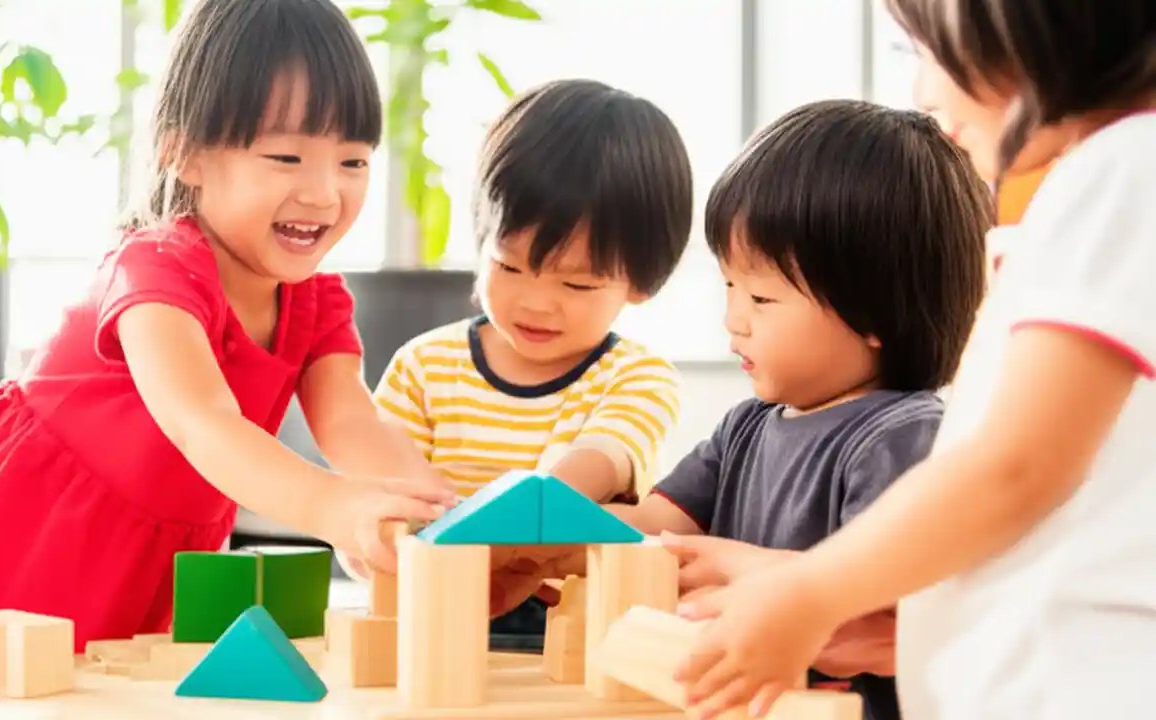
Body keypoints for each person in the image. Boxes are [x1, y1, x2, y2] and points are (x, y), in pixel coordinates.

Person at [0, 0, 456, 655]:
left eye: (353, 162)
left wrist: (437, 513)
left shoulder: (315, 299)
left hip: (157, 558)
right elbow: (200, 420)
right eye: (286, 158)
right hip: (39, 540)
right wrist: (332, 509)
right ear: (185, 153)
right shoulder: (155, 268)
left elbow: (353, 422)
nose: (325, 193)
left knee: (132, 689)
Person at [673, 4, 1156, 719]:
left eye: (928, 49)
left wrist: (810, 594)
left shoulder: (1122, 166)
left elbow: (1018, 466)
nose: (924, 91)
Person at [495, 99, 990, 718]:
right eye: (729, 285)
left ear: (874, 314)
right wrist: (545, 547)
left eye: (761, 295)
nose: (733, 318)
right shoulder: (746, 427)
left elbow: (895, 603)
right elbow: (652, 527)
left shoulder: (902, 437)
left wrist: (736, 566)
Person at [371, 79, 693, 648]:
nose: (537, 302)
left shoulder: (637, 377)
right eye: (510, 266)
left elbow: (588, 467)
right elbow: (382, 493)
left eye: (577, 282)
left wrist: (492, 540)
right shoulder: (423, 366)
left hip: (571, 625)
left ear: (641, 281)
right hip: (435, 608)